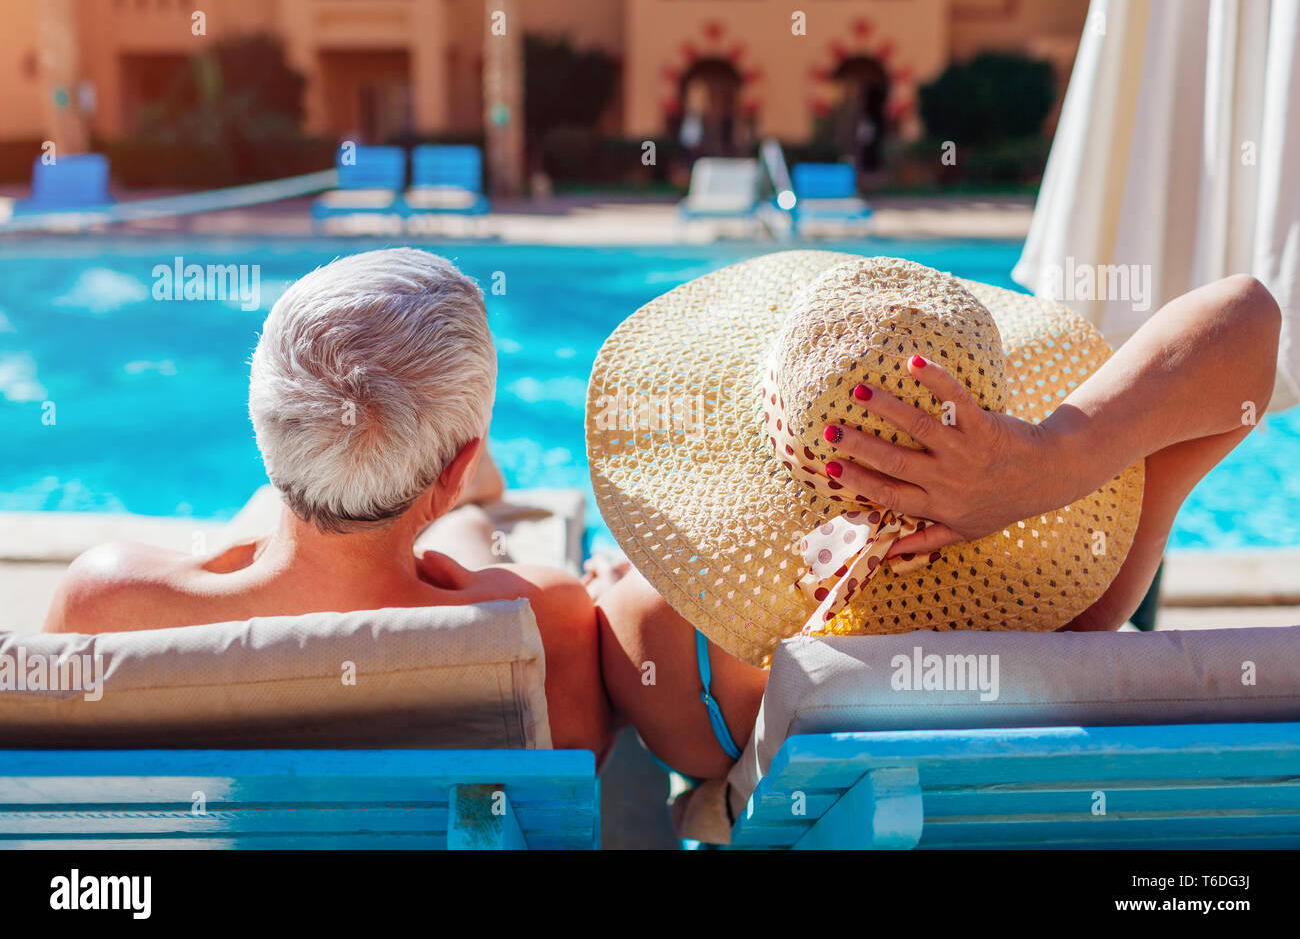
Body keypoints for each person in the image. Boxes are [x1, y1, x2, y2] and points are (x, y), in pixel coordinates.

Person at [589, 253, 1281, 779]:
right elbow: (1249, 315)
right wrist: (1049, 462)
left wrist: (652, 576)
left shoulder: (679, 655)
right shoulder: (1084, 602)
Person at [43, 248, 611, 756]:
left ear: (263, 421)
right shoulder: (543, 617)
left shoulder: (103, 604)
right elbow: (579, 777)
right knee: (465, 536)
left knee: (268, 515)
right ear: (457, 465)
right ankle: (460, 498)